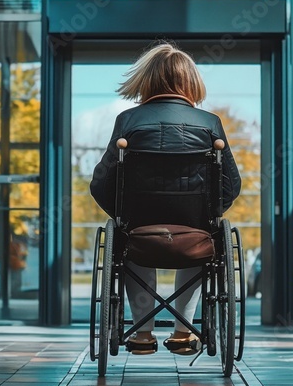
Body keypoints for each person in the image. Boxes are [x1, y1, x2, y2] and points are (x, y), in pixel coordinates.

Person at [90, 42, 242, 355]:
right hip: (194, 233)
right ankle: (184, 332)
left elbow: (101, 184)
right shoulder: (210, 124)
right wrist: (209, 216)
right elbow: (231, 185)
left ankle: (142, 333)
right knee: (204, 239)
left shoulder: (128, 122)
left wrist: (122, 215)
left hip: (139, 234)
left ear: (147, 80)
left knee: (128, 236)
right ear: (191, 82)